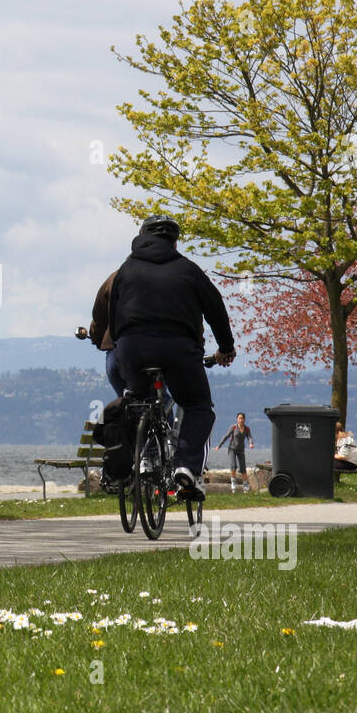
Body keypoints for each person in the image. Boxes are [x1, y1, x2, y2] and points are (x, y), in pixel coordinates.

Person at [108, 215, 236, 502]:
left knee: (137, 402)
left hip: (132, 348)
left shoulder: (125, 270)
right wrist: (226, 347)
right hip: (177, 349)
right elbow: (216, 309)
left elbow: (112, 317)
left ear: (141, 236)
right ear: (175, 241)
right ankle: (186, 467)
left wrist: (121, 346)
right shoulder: (188, 270)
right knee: (198, 406)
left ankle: (140, 460)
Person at [84, 270, 126, 397]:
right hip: (166, 345)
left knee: (123, 393)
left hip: (119, 347)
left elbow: (99, 315)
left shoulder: (115, 277)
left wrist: (98, 339)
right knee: (160, 396)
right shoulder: (171, 274)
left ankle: (124, 404)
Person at [215, 412, 255, 492]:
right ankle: (233, 483)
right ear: (237, 419)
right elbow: (226, 436)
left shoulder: (247, 429)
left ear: (244, 419)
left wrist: (251, 443)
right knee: (233, 465)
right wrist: (219, 446)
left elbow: (249, 437)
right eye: (239, 418)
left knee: (243, 468)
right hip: (232, 449)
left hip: (241, 450)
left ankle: (245, 485)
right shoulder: (233, 427)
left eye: (242, 418)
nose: (241, 420)